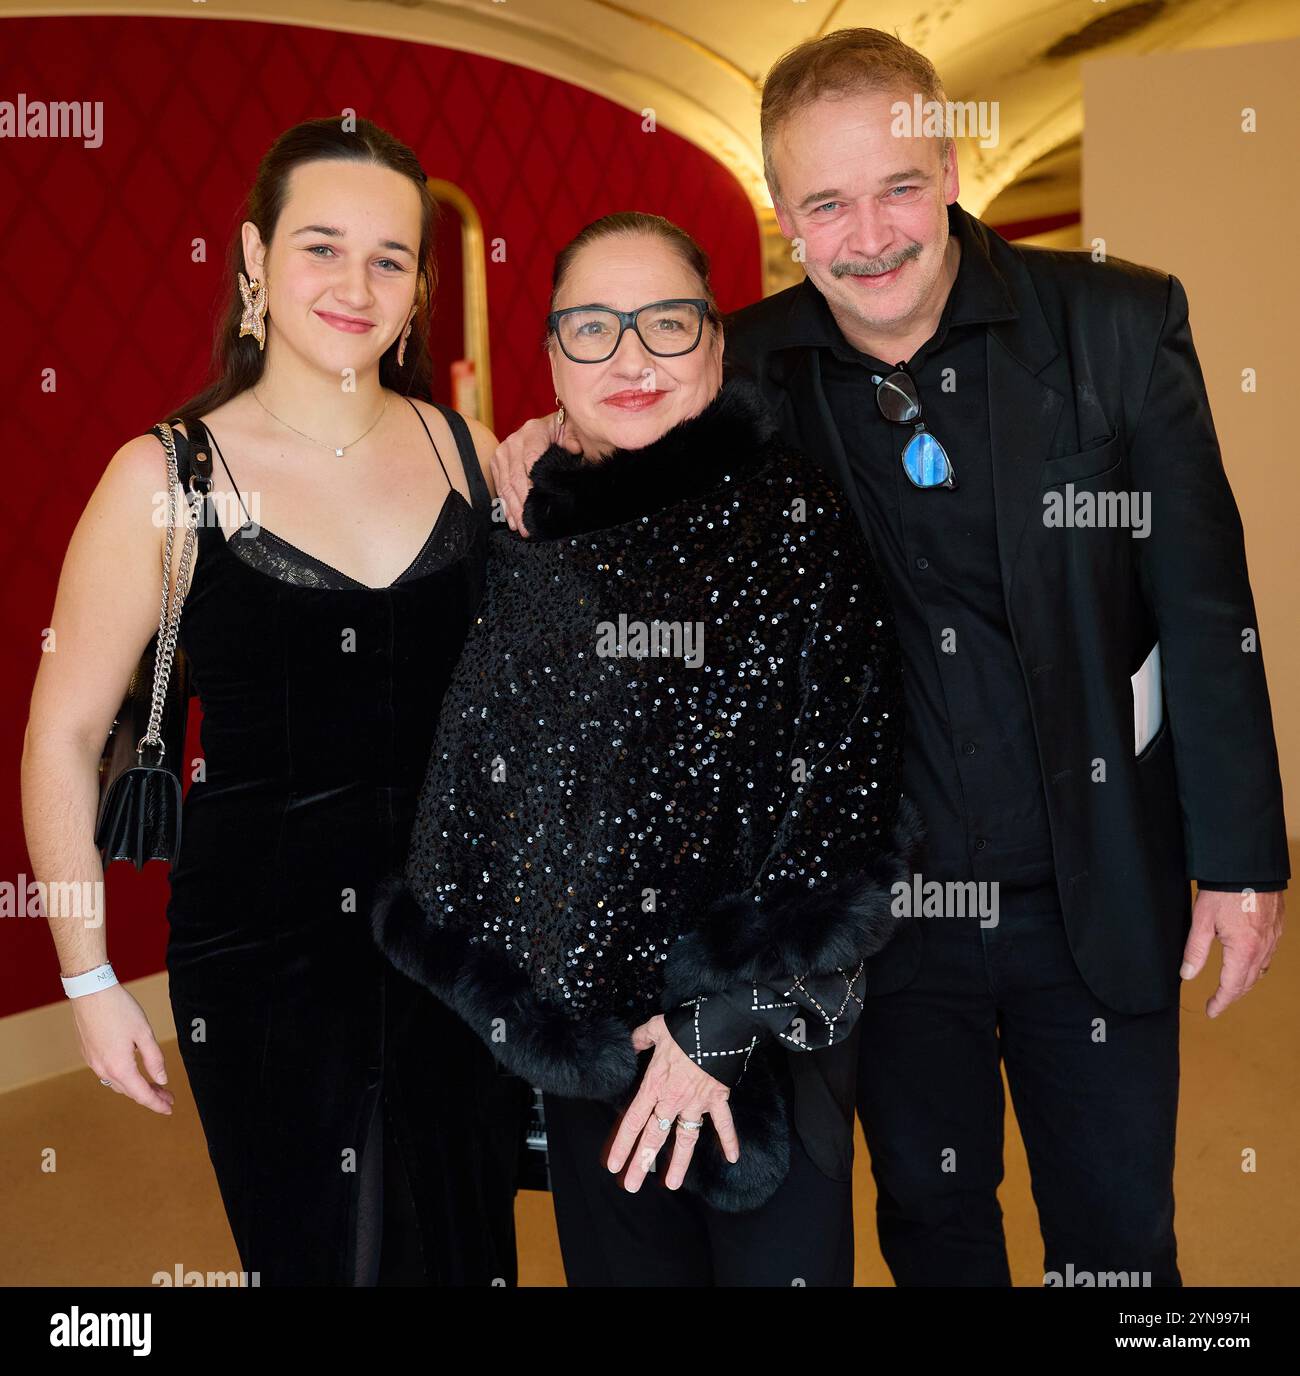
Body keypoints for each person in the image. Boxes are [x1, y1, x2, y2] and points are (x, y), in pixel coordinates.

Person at [489, 30, 1289, 1287]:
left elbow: (1203, 604)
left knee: (1120, 1239)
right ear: (785, 216)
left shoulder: (1118, 325)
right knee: (930, 1223)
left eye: (897, 186)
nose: (867, 233)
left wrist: (1241, 858)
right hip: (885, 926)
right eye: (825, 202)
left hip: (1095, 883)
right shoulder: (739, 367)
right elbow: (617, 429)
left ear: (953, 165)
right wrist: (542, 447)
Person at [21, 116, 527, 1286]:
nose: (356, 284)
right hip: (264, 955)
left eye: (389, 258)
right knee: (324, 1254)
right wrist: (89, 977)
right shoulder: (165, 474)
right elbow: (61, 734)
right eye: (321, 247)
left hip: (458, 937)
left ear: (418, 287)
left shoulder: (467, 449)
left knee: (462, 1244)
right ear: (253, 259)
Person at [372, 211, 922, 1287]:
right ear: (551, 359)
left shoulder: (793, 515)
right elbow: (496, 792)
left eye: (665, 322)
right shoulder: (529, 538)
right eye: (591, 327)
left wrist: (715, 1023)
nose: (628, 356)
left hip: (760, 1037)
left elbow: (853, 800)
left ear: (716, 345)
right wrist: (536, 1008)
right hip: (596, 1044)